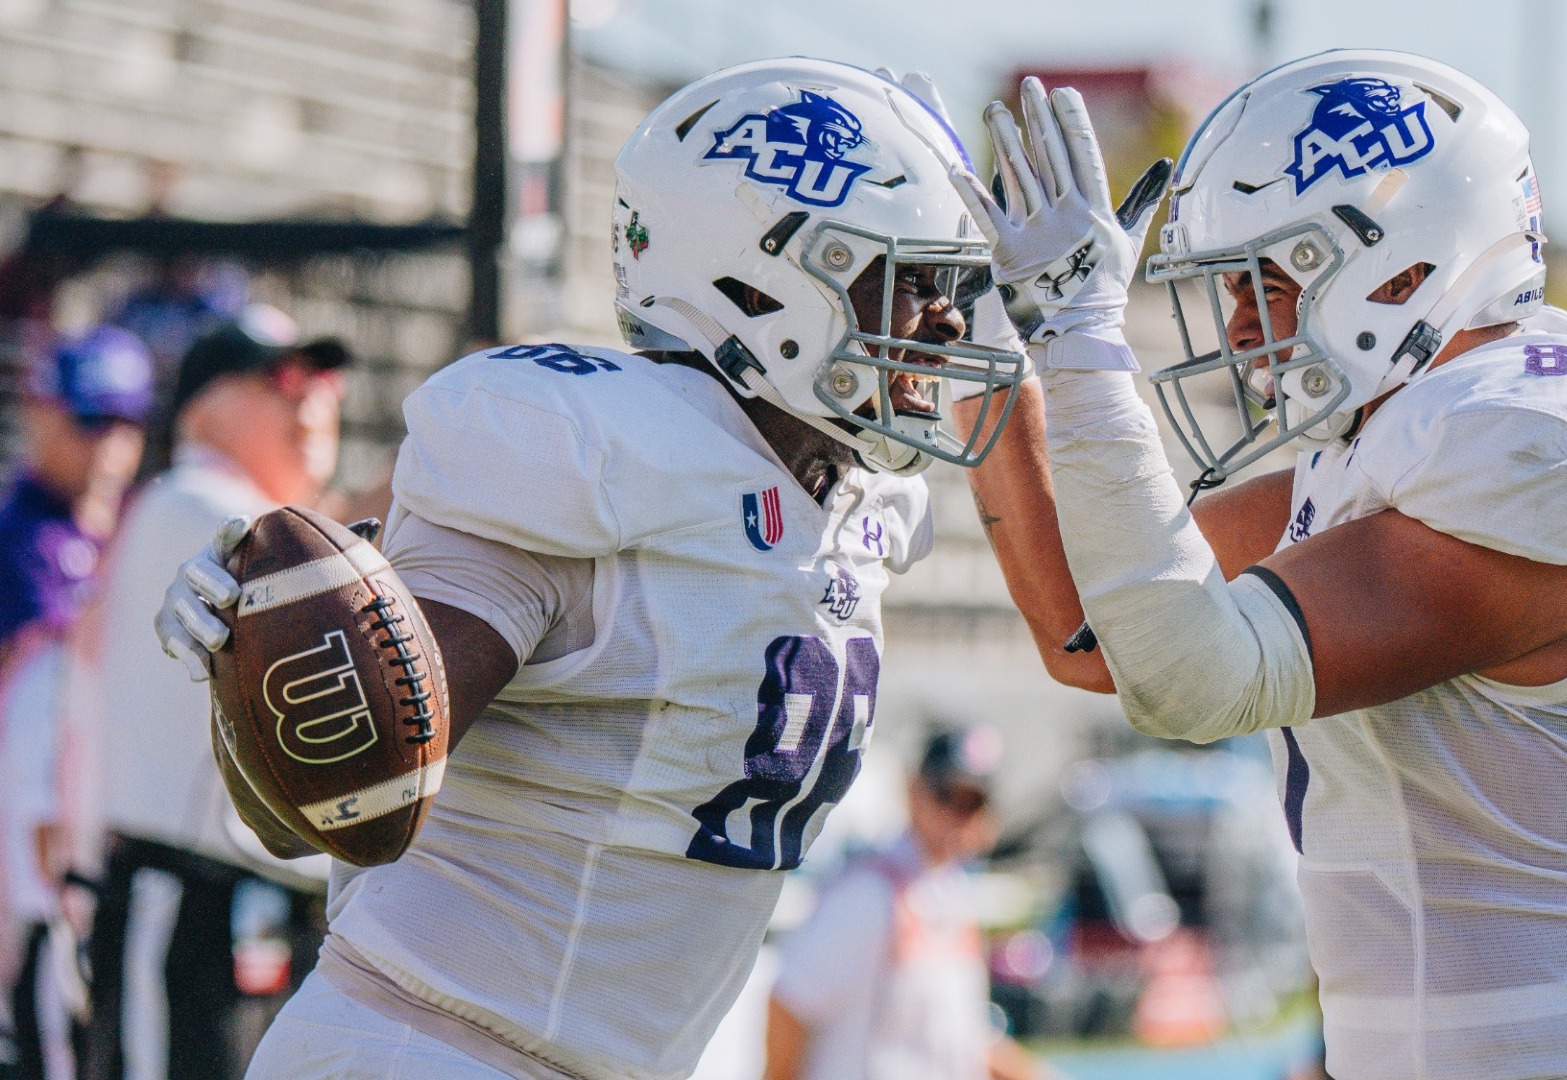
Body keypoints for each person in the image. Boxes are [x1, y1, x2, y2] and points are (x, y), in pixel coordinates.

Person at [153, 60, 1026, 1080]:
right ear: (759, 276)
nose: (950, 321)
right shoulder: (585, 448)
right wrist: (264, 658)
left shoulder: (848, 503)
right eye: (912, 278)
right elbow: (337, 803)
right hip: (427, 1052)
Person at [950, 52, 1567, 1078]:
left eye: (1271, 279)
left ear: (1405, 265)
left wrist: (1092, 338)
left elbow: (1193, 677)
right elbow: (1093, 632)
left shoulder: (1537, 434)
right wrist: (997, 358)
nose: (1236, 327)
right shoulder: (1379, 452)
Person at [80, 307, 351, 1080]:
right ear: (204, 408)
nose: (314, 399)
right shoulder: (191, 498)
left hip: (255, 908)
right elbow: (312, 565)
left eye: (325, 380)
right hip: (184, 906)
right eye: (284, 377)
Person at [0, 326, 152, 1080]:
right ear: (43, 415)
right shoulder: (19, 533)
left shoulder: (126, 526)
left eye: (128, 422)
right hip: (28, 852)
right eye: (93, 420)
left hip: (99, 838)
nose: (111, 445)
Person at [765, 727, 1049, 1080]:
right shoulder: (868, 894)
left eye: (975, 802)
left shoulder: (949, 894)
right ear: (914, 791)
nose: (960, 817)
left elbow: (960, 1041)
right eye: (948, 797)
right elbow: (789, 1004)